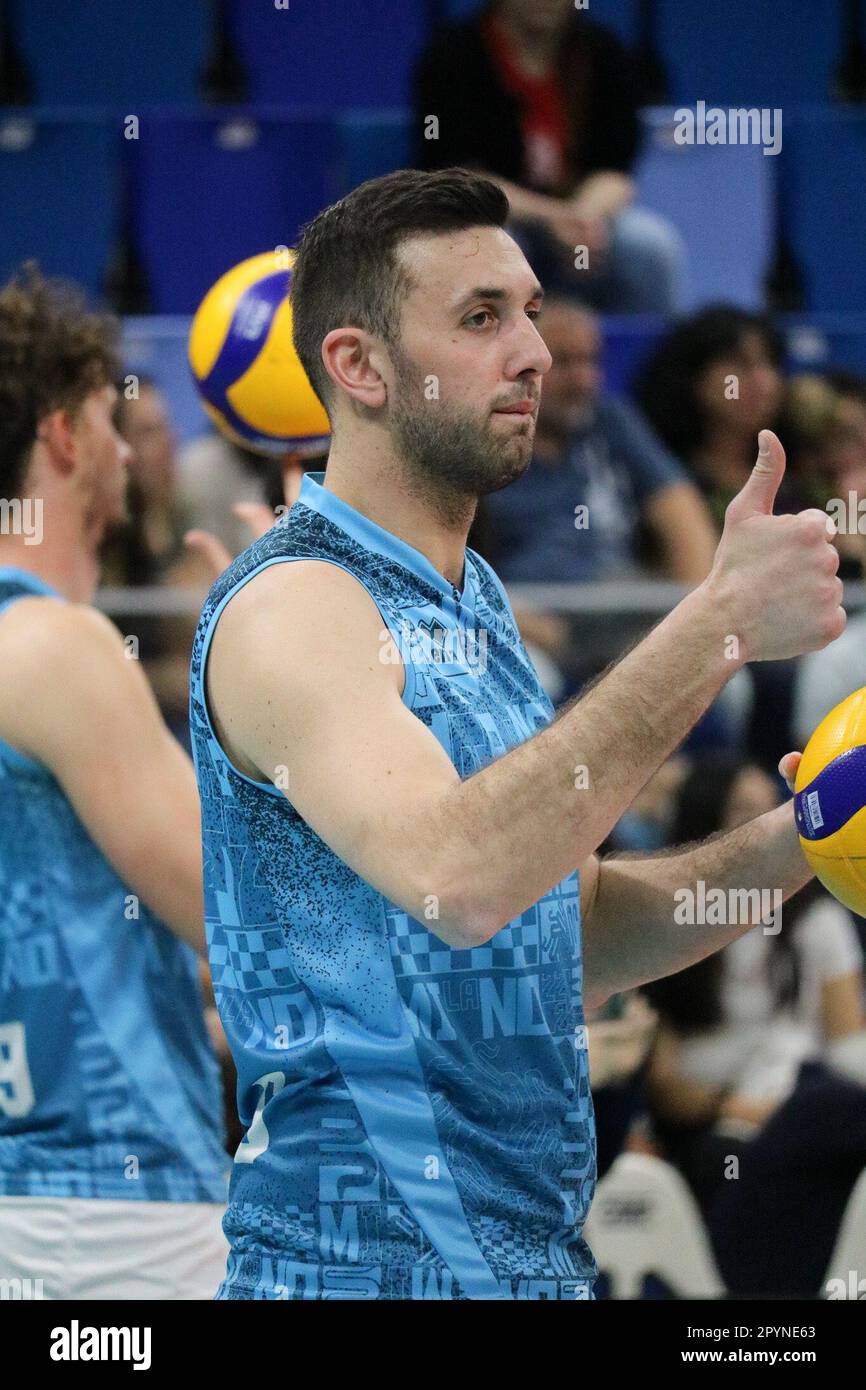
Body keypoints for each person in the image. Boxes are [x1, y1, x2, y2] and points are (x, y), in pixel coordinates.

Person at [189, 166, 846, 1301]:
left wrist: (813, 832)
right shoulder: (290, 605)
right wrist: (719, 624)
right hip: (356, 1278)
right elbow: (458, 877)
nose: (535, 352)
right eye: (481, 318)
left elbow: (567, 937)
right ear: (357, 367)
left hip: (532, 1271)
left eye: (531, 312)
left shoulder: (472, 600)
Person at [0, 265, 229, 1299]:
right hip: (105, 1201)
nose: (129, 444)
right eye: (107, 412)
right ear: (62, 436)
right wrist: (285, 666)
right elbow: (237, 916)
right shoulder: (56, 644)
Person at [644, 755, 866, 1296]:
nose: (765, 820)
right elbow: (665, 1081)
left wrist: (771, 1105)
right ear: (705, 820)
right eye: (744, 809)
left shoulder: (816, 920)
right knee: (728, 1156)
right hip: (701, 1126)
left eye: (773, 805)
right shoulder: (665, 917)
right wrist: (727, 1105)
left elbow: (847, 1048)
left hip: (794, 1109)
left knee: (821, 1109)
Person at [414, 0, 685, 312]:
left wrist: (582, 218)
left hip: (585, 213)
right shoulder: (452, 55)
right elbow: (457, 174)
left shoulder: (602, 50)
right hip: (497, 214)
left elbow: (616, 170)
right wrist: (553, 217)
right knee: (496, 248)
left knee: (650, 246)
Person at [482, 299, 717, 584]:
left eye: (590, 360)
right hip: (524, 612)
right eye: (564, 362)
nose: (583, 380)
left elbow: (683, 517)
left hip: (619, 604)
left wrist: (692, 611)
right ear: (521, 364)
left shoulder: (609, 421)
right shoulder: (486, 437)